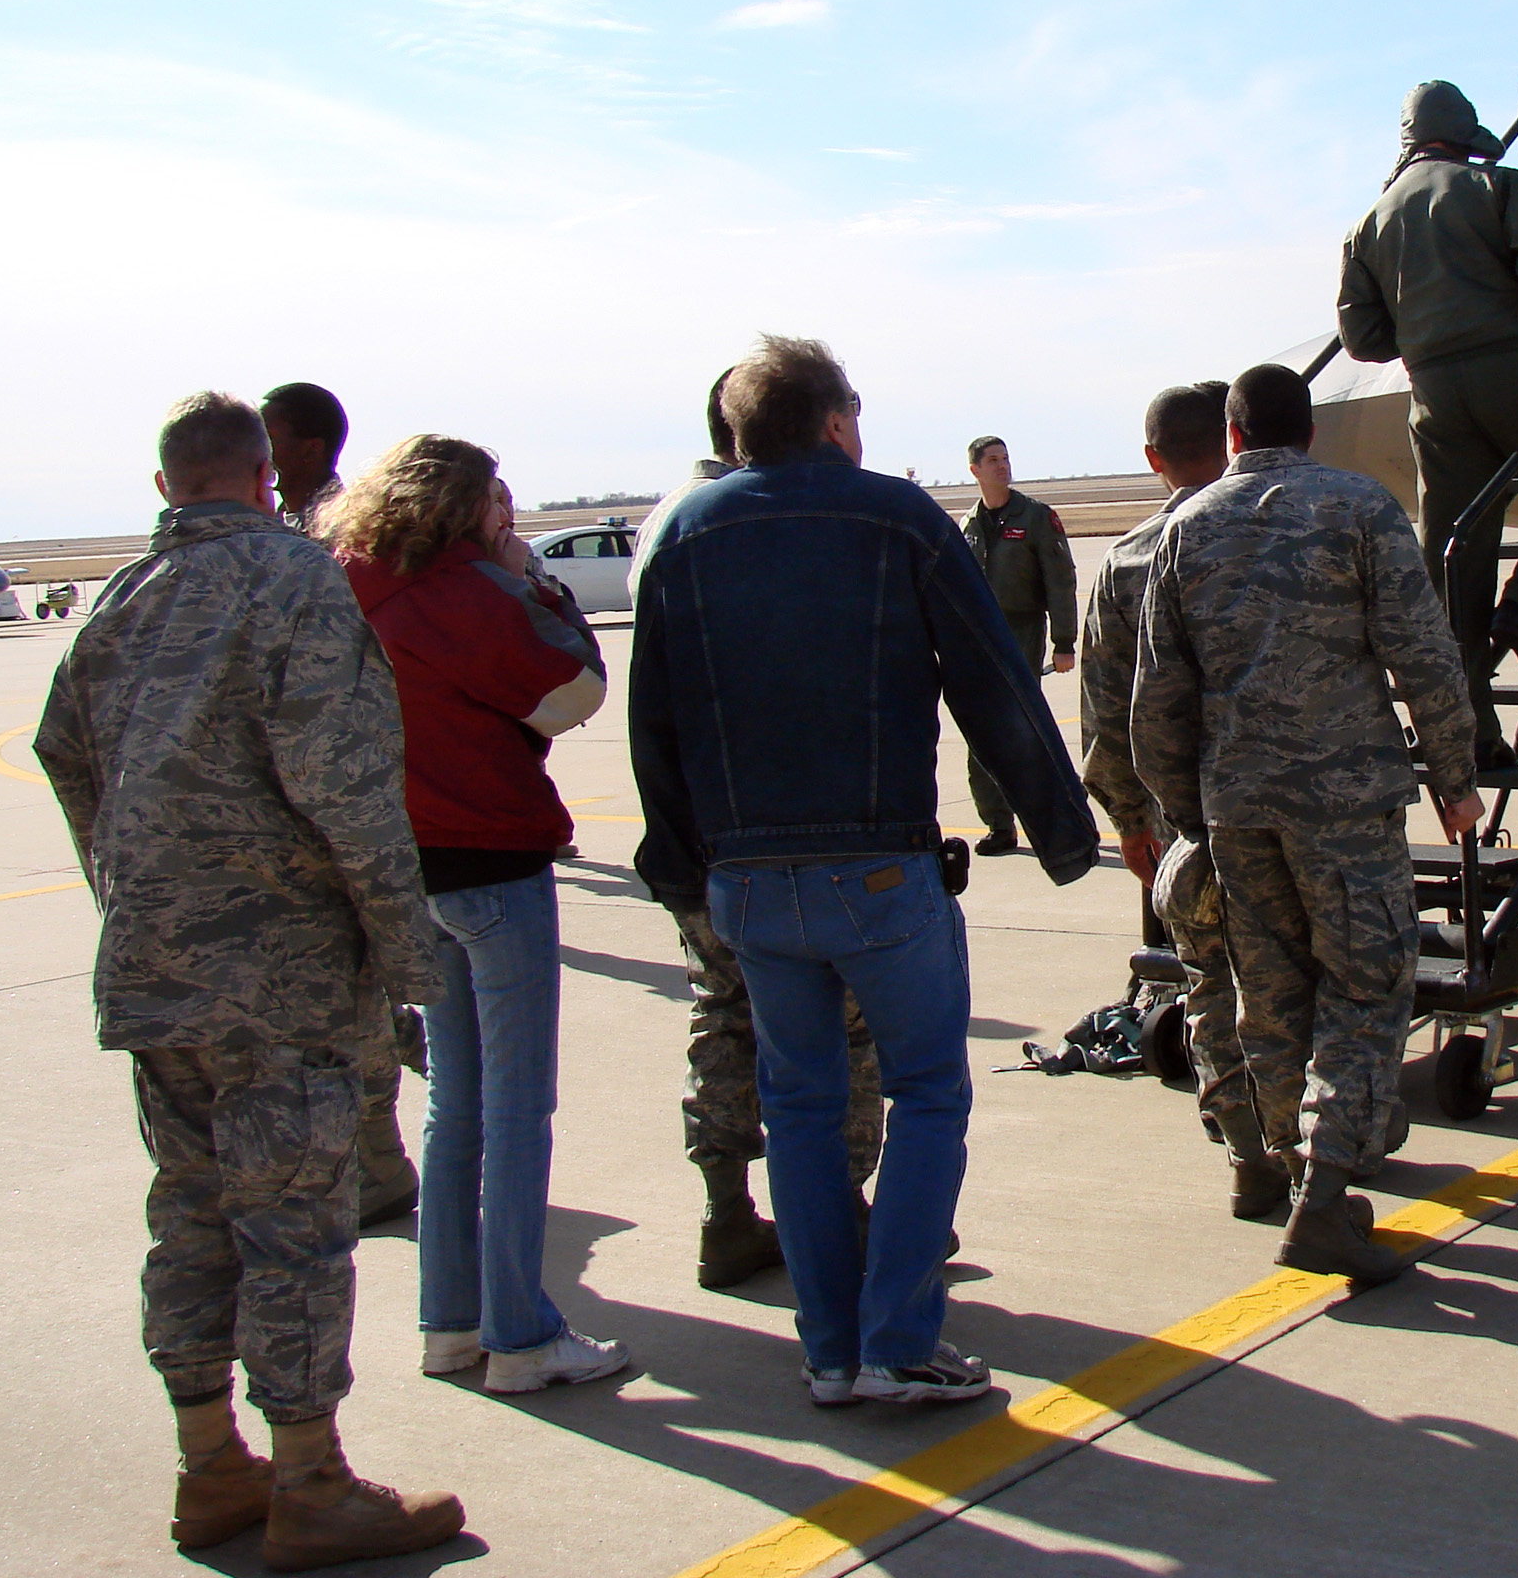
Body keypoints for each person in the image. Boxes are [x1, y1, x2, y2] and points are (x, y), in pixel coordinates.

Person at [34, 392, 463, 1569]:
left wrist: (133, 895)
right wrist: (400, 953)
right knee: (293, 1231)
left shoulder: (119, 599)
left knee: (190, 1214)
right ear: (263, 482)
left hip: (158, 974)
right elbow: (346, 785)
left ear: (170, 485)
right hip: (278, 979)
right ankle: (312, 1479)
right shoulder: (292, 581)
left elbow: (61, 750)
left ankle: (209, 1463)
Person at [631, 336, 1097, 1405]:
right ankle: (897, 1338)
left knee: (796, 1104)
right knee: (928, 1092)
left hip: (747, 884)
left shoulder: (685, 535)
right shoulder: (895, 516)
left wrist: (679, 867)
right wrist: (1064, 834)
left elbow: (653, 718)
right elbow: (991, 678)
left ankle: (831, 1352)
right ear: (837, 424)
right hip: (879, 870)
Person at [1131, 365, 1482, 1287]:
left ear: (1234, 436)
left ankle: (1285, 1167)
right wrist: (1453, 776)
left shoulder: (1185, 530)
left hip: (1238, 810)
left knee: (1273, 997)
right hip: (1346, 807)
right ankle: (1325, 1196)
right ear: (1309, 434)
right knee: (1365, 992)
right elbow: (1423, 653)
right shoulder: (1360, 509)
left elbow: (1157, 696)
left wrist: (1184, 814)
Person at [327, 437, 629, 1396]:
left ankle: (450, 1323)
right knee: (516, 1108)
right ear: (471, 510)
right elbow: (571, 691)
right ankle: (519, 1332)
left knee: (453, 1106)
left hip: (400, 870)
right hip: (489, 864)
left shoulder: (344, 583)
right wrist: (530, 582)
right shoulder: (463, 595)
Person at [629, 372, 887, 1291]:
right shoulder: (743, 520)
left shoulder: (674, 517)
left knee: (724, 1013)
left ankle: (729, 1210)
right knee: (838, 1019)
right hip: (775, 827)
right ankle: (841, 1216)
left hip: (696, 831)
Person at [1338, 79, 1518, 757]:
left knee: (1455, 561)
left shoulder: (1367, 225)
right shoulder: (1496, 188)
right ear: (1461, 135)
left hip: (1428, 393)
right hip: (1507, 370)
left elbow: (1362, 339)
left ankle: (1471, 738)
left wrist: (1424, 331)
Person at [1078, 382, 1281, 1216]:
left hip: (1181, 821)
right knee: (1294, 978)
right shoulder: (1277, 530)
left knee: (1210, 983)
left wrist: (1129, 822)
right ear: (1231, 446)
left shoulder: (1126, 561)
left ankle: (1245, 1152)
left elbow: (1101, 710)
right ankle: (1319, 1139)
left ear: (1153, 459)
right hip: (1285, 805)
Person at [261, 381, 423, 1235]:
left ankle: (379, 1153)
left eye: (271, 433)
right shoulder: (280, 523)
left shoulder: (341, 523)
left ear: (307, 442)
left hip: (341, 777)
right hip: (301, 783)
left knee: (355, 986)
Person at [959, 435, 1079, 855]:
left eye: (1005, 459)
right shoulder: (968, 525)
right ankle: (999, 824)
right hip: (979, 643)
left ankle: (1063, 818)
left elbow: (1060, 581)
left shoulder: (1036, 517)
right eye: (992, 460)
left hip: (1022, 633)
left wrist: (1063, 642)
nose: (1001, 467)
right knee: (981, 737)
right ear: (975, 470)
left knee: (1024, 731)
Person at [261, 381, 348, 528]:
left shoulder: (348, 531)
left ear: (312, 449)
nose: (256, 449)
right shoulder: (269, 526)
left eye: (266, 438)